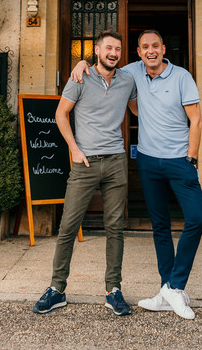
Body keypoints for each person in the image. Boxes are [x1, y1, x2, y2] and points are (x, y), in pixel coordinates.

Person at [71, 29, 202, 320]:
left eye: (155, 45)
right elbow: (102, 66)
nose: (150, 50)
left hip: (180, 159)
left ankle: (174, 285)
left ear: (163, 48)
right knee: (160, 226)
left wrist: (192, 157)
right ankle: (166, 290)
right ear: (139, 52)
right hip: (147, 160)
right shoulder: (131, 72)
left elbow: (196, 119)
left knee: (197, 218)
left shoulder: (181, 76)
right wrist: (80, 63)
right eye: (145, 47)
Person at [33, 30, 137, 316]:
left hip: (116, 161)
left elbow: (139, 110)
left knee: (115, 228)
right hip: (84, 162)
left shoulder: (128, 80)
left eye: (117, 48)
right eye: (108, 48)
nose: (113, 53)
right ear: (97, 50)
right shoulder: (80, 77)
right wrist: (74, 150)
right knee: (68, 226)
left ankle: (113, 290)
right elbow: (60, 114)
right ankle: (56, 289)